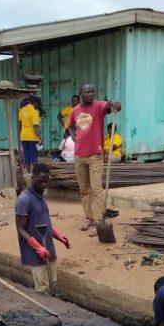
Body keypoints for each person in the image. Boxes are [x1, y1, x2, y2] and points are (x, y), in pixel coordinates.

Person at [67, 84, 121, 235]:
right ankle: (88, 218)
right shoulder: (75, 110)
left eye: (92, 91)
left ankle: (99, 221)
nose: (91, 94)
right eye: (88, 92)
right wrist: (74, 136)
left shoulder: (99, 106)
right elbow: (70, 126)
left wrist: (114, 103)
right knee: (84, 190)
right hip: (79, 155)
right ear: (81, 93)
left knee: (96, 189)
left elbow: (109, 106)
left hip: (95, 155)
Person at [14, 163, 70, 293]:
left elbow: (44, 222)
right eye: (41, 181)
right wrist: (38, 247)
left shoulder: (41, 197)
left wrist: (58, 235)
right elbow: (20, 229)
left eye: (46, 181)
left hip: (48, 247)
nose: (44, 185)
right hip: (35, 252)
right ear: (32, 178)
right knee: (43, 288)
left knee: (53, 282)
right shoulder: (24, 200)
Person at [19, 96, 42, 173]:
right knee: (34, 156)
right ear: (35, 103)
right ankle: (35, 173)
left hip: (23, 136)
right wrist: (40, 138)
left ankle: (28, 173)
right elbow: (35, 126)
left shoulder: (22, 109)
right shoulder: (34, 111)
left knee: (26, 156)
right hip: (33, 137)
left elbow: (20, 123)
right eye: (38, 105)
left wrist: (21, 134)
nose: (38, 106)